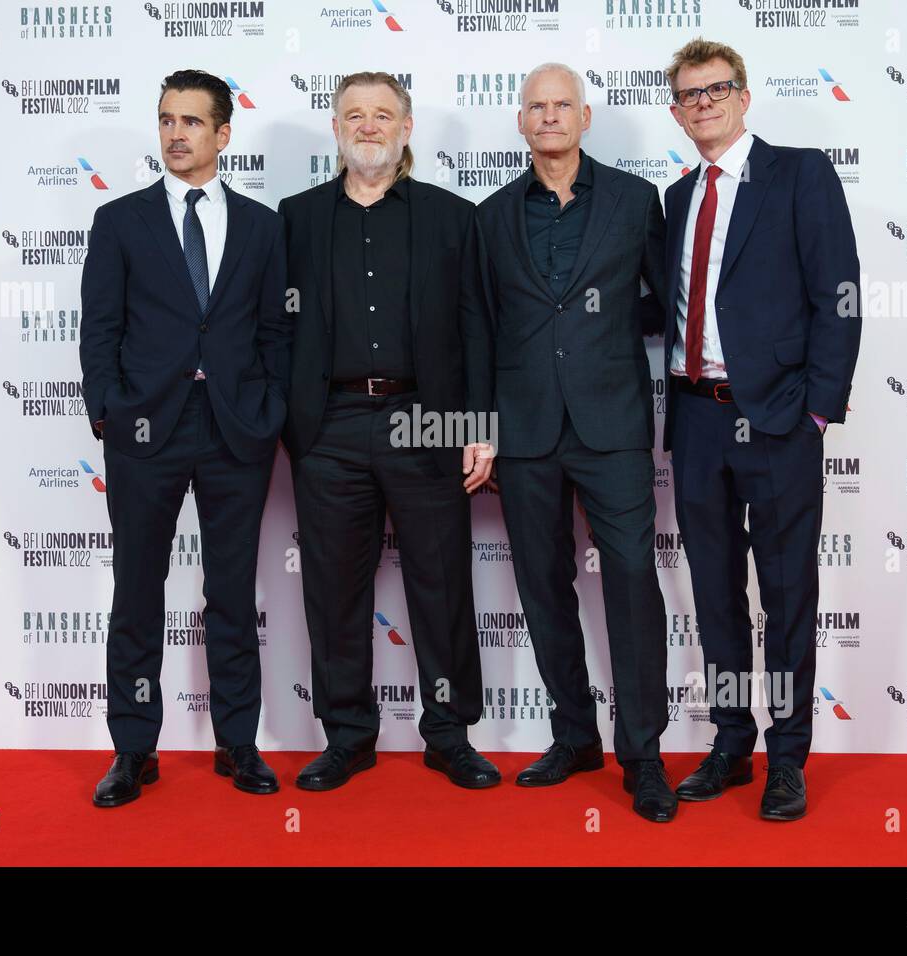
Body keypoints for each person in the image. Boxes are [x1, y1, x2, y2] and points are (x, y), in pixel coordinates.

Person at [278, 72, 500, 791]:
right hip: (332, 423)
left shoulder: (451, 216)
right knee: (334, 589)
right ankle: (347, 736)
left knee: (441, 585)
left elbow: (477, 328)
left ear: (407, 128)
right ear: (335, 128)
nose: (367, 126)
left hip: (427, 419)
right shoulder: (296, 217)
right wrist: (291, 426)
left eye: (382, 115)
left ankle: (447, 734)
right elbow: (276, 329)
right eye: (354, 115)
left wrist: (475, 425)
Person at [661, 38, 862, 821]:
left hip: (777, 420)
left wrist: (817, 408)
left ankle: (788, 757)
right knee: (714, 597)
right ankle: (730, 744)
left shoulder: (800, 174)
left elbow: (838, 293)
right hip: (695, 418)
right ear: (675, 112)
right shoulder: (679, 199)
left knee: (786, 597)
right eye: (689, 94)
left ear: (744, 97)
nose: (704, 102)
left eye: (717, 88)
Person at [80, 69, 289, 807]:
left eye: (193, 122)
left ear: (223, 134)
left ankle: (238, 742)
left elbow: (274, 329)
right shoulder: (120, 222)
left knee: (232, 590)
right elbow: (99, 328)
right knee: (138, 590)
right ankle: (134, 749)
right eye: (167, 119)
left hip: (237, 429)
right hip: (145, 430)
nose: (176, 133)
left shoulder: (265, 227)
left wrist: (270, 409)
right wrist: (108, 410)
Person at [475, 62, 675, 822]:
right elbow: (478, 329)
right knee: (543, 586)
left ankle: (644, 755)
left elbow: (668, 300)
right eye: (537, 107)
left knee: (630, 581)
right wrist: (479, 431)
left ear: (585, 118)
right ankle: (572, 735)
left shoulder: (632, 200)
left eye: (563, 106)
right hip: (524, 430)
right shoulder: (491, 217)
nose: (550, 117)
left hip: (613, 425)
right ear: (521, 121)